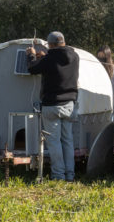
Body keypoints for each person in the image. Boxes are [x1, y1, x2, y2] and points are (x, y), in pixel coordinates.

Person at [27, 31, 80, 182]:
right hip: (69, 104)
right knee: (67, 141)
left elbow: (32, 69)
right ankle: (70, 175)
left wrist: (31, 55)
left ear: (50, 45)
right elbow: (60, 67)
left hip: (52, 105)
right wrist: (44, 57)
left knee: (54, 142)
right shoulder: (75, 56)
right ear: (63, 42)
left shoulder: (49, 58)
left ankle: (58, 176)